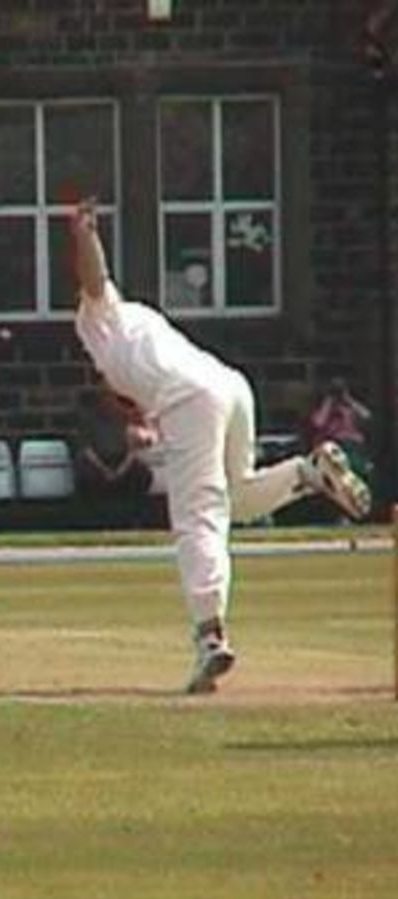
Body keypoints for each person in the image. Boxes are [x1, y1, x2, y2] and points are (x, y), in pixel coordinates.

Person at [68, 199, 371, 694]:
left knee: (197, 517)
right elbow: (135, 400)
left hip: (193, 400)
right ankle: (308, 472)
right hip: (229, 386)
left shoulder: (101, 323)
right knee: (240, 499)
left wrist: (84, 234)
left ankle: (210, 635)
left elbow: (94, 281)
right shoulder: (141, 329)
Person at [75, 383, 156, 502]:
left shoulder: (124, 418)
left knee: (143, 475)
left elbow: (133, 448)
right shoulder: (87, 420)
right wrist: (104, 469)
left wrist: (121, 469)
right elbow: (88, 449)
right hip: (97, 466)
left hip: (123, 464)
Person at [307, 377, 373, 484]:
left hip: (352, 444)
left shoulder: (350, 407)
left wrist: (348, 400)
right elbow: (318, 423)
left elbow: (367, 416)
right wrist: (328, 403)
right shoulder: (323, 408)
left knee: (356, 460)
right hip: (332, 444)